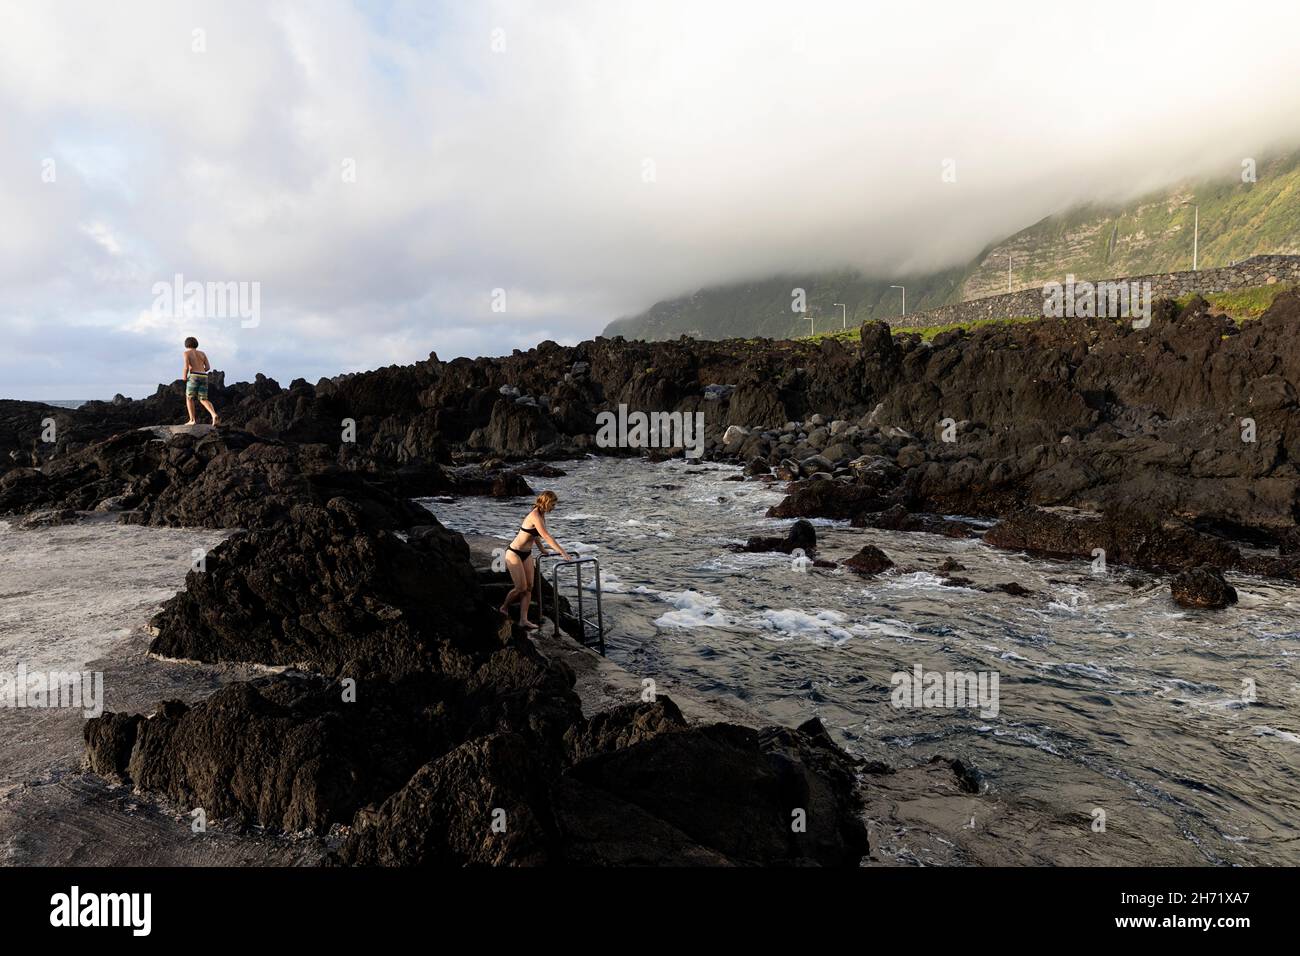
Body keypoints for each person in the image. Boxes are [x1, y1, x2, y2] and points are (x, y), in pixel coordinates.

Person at [500, 490, 570, 630]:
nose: (554, 508)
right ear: (546, 502)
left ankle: (523, 620)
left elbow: (536, 535)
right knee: (521, 587)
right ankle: (504, 607)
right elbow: (546, 535)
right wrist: (562, 551)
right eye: (553, 504)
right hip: (514, 553)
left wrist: (542, 550)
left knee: (530, 587)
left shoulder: (542, 515)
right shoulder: (535, 515)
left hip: (527, 554)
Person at [181, 336, 219, 426]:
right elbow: (208, 367)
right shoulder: (202, 353)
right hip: (204, 376)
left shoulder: (186, 353)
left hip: (194, 375)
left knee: (189, 398)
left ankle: (192, 420)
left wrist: (184, 377)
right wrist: (201, 371)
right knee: (203, 399)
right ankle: (214, 415)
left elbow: (186, 367)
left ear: (186, 344)